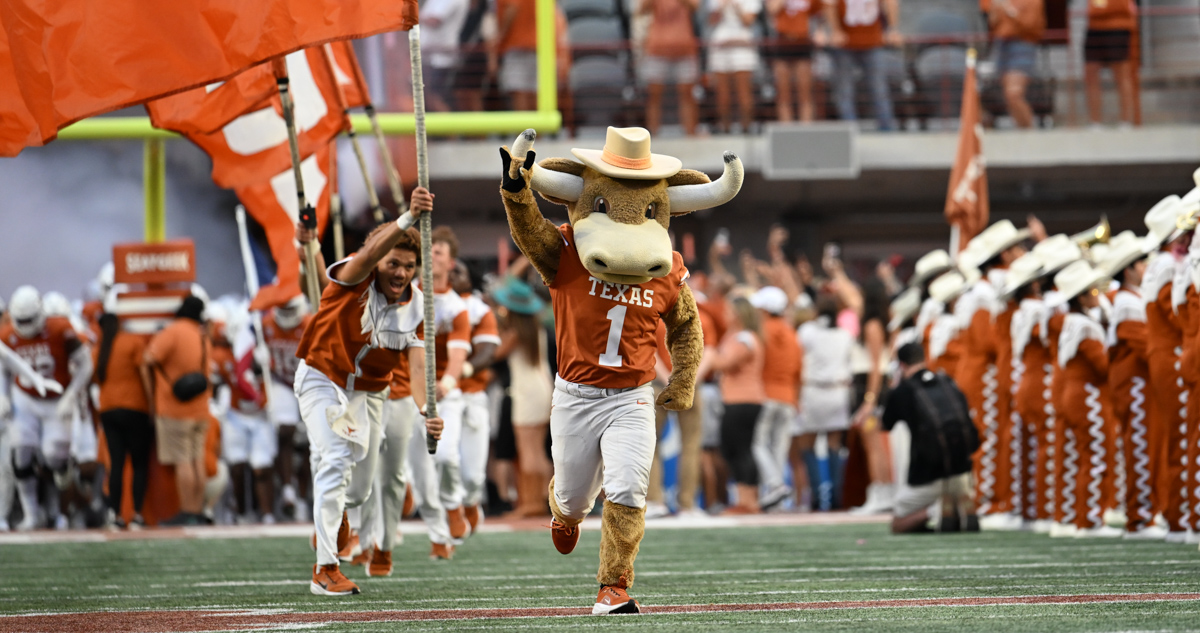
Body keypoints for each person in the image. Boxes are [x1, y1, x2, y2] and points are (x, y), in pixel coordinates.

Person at [294, 187, 443, 596]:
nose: (400, 272)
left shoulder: (419, 306)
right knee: (336, 461)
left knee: (358, 492)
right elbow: (368, 255)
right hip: (322, 379)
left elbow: (416, 367)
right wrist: (407, 219)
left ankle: (337, 509)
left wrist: (426, 409)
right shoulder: (353, 277)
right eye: (393, 263)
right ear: (380, 262)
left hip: (369, 395)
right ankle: (325, 568)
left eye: (410, 266)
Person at [2, 286, 92, 530]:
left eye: (29, 319)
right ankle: (31, 515)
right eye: (20, 320)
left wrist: (71, 396)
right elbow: (4, 369)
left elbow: (85, 364)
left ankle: (60, 502)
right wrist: (4, 396)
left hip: (56, 398)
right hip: (26, 398)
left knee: (54, 456)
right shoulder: (7, 334)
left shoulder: (60, 329)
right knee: (20, 454)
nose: (25, 325)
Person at [1051, 261, 1123, 537]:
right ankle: (1090, 520)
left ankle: (1073, 517)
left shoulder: (1072, 321)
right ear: (1080, 296)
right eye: (1093, 291)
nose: (1097, 295)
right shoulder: (1087, 327)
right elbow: (1103, 368)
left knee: (1078, 458)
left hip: (1074, 395)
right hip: (1088, 398)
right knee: (1095, 457)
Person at [1099, 231, 1161, 538]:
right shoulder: (1125, 301)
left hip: (1139, 384)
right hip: (1134, 385)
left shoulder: (1131, 298)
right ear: (1128, 270)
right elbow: (1145, 345)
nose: (1147, 268)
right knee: (1139, 449)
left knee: (1145, 448)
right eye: (1142, 264)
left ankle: (1146, 512)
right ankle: (1139, 518)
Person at [883, 343, 979, 533]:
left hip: (928, 476)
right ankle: (958, 503)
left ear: (901, 365)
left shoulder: (903, 391)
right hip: (963, 472)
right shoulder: (948, 382)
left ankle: (936, 510)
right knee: (955, 523)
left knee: (898, 525)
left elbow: (885, 425)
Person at [141, 294, 212, 527]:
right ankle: (198, 510)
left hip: (174, 408)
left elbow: (147, 361)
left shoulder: (171, 333)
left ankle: (187, 511)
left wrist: (152, 400)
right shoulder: (203, 336)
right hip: (200, 408)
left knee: (183, 461)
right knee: (197, 460)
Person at [493, 277, 553, 517]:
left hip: (526, 393)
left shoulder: (514, 332)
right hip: (543, 389)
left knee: (527, 450)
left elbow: (496, 354)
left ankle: (530, 504)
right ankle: (544, 500)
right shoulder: (537, 328)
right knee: (539, 450)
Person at [453, 261, 501, 532]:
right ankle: (449, 512)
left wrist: (458, 371)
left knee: (472, 474)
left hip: (470, 392)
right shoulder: (421, 299)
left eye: (457, 270)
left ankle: (469, 500)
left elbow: (488, 353)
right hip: (437, 395)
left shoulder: (478, 308)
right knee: (444, 459)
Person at [93, 313, 152, 530]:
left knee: (116, 464)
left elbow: (96, 380)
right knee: (139, 464)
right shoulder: (132, 341)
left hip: (108, 408)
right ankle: (136, 514)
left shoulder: (99, 349)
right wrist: (152, 405)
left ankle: (116, 515)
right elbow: (145, 373)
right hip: (135, 407)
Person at [796, 294, 852, 510]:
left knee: (807, 445)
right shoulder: (845, 334)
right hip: (837, 392)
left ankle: (818, 497)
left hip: (813, 391)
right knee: (834, 444)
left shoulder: (807, 332)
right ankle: (837, 496)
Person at [749, 286, 801, 510]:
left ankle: (775, 485)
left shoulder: (762, 331)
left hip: (765, 395)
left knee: (757, 444)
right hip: (788, 397)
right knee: (778, 450)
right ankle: (776, 499)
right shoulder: (791, 333)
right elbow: (799, 369)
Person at [261, 295, 312, 521]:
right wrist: (256, 356)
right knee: (285, 431)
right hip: (281, 381)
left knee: (314, 441)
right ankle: (288, 489)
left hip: (309, 383)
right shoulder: (264, 325)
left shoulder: (310, 323)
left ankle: (304, 493)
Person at [714, 297, 766, 513]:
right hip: (740, 399)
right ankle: (748, 498)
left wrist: (706, 356)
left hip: (742, 400)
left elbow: (725, 363)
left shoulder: (744, 338)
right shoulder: (739, 336)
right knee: (736, 449)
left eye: (729, 310)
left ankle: (748, 500)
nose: (725, 314)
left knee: (738, 449)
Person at [823, 0, 901, 130]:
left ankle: (887, 128)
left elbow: (891, 3)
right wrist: (835, 30)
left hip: (872, 43)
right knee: (844, 91)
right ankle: (850, 130)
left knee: (879, 89)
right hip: (845, 44)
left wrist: (892, 29)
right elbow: (829, 6)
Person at [639, 0, 701, 135]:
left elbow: (695, 7)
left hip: (684, 48)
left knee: (687, 94)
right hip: (657, 48)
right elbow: (642, 10)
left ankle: (691, 134)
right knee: (654, 95)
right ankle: (652, 135)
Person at [984, 0, 1045, 128]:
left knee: (1014, 94)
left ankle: (1031, 132)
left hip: (1023, 45)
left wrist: (1009, 10)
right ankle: (1021, 129)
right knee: (1007, 96)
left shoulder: (1033, 2)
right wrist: (995, 11)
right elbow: (994, 25)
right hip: (1002, 46)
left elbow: (1029, 25)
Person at [708, 0, 763, 133]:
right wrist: (722, 7)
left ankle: (746, 128)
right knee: (722, 94)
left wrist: (735, 7)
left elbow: (748, 21)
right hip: (720, 46)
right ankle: (725, 129)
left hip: (743, 46)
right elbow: (711, 21)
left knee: (744, 92)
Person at [1083, 0, 1136, 127]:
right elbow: (1093, 8)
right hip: (1094, 28)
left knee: (1122, 75)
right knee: (1091, 74)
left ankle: (1125, 121)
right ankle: (1095, 123)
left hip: (1118, 28)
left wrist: (1103, 8)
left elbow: (1124, 7)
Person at [766, 0, 815, 122]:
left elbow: (821, 13)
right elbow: (771, 10)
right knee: (783, 93)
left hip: (802, 41)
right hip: (782, 41)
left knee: (805, 92)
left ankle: (806, 128)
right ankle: (785, 129)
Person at [420, 0, 469, 112]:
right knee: (430, 96)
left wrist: (407, 14)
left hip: (440, 56)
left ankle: (451, 128)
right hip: (431, 55)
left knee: (435, 96)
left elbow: (435, 21)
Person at [493, 0, 538, 111]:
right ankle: (536, 127)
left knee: (519, 92)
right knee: (531, 92)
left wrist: (500, 35)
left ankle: (525, 127)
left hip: (517, 46)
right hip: (536, 44)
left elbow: (512, 7)